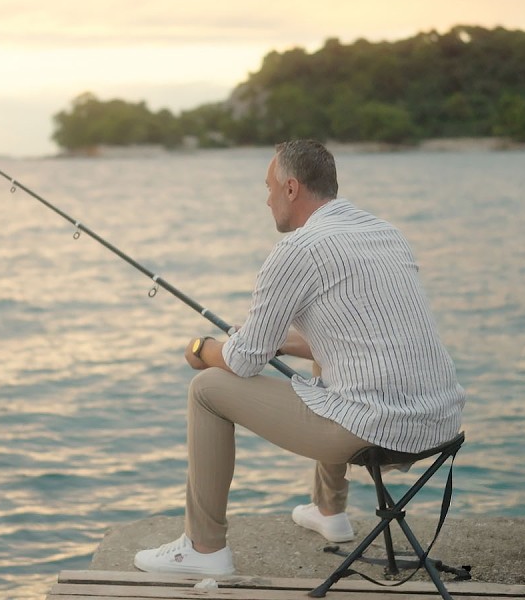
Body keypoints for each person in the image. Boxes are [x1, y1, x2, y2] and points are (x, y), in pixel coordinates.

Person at [134, 140, 466, 576]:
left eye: (269, 186)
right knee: (325, 362)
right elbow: (358, 341)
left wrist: (202, 350)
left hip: (377, 428)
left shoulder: (297, 250)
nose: (266, 197)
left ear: (291, 188)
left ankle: (204, 549)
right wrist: (274, 341)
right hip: (439, 423)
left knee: (207, 389)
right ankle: (329, 512)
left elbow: (242, 364)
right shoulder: (384, 232)